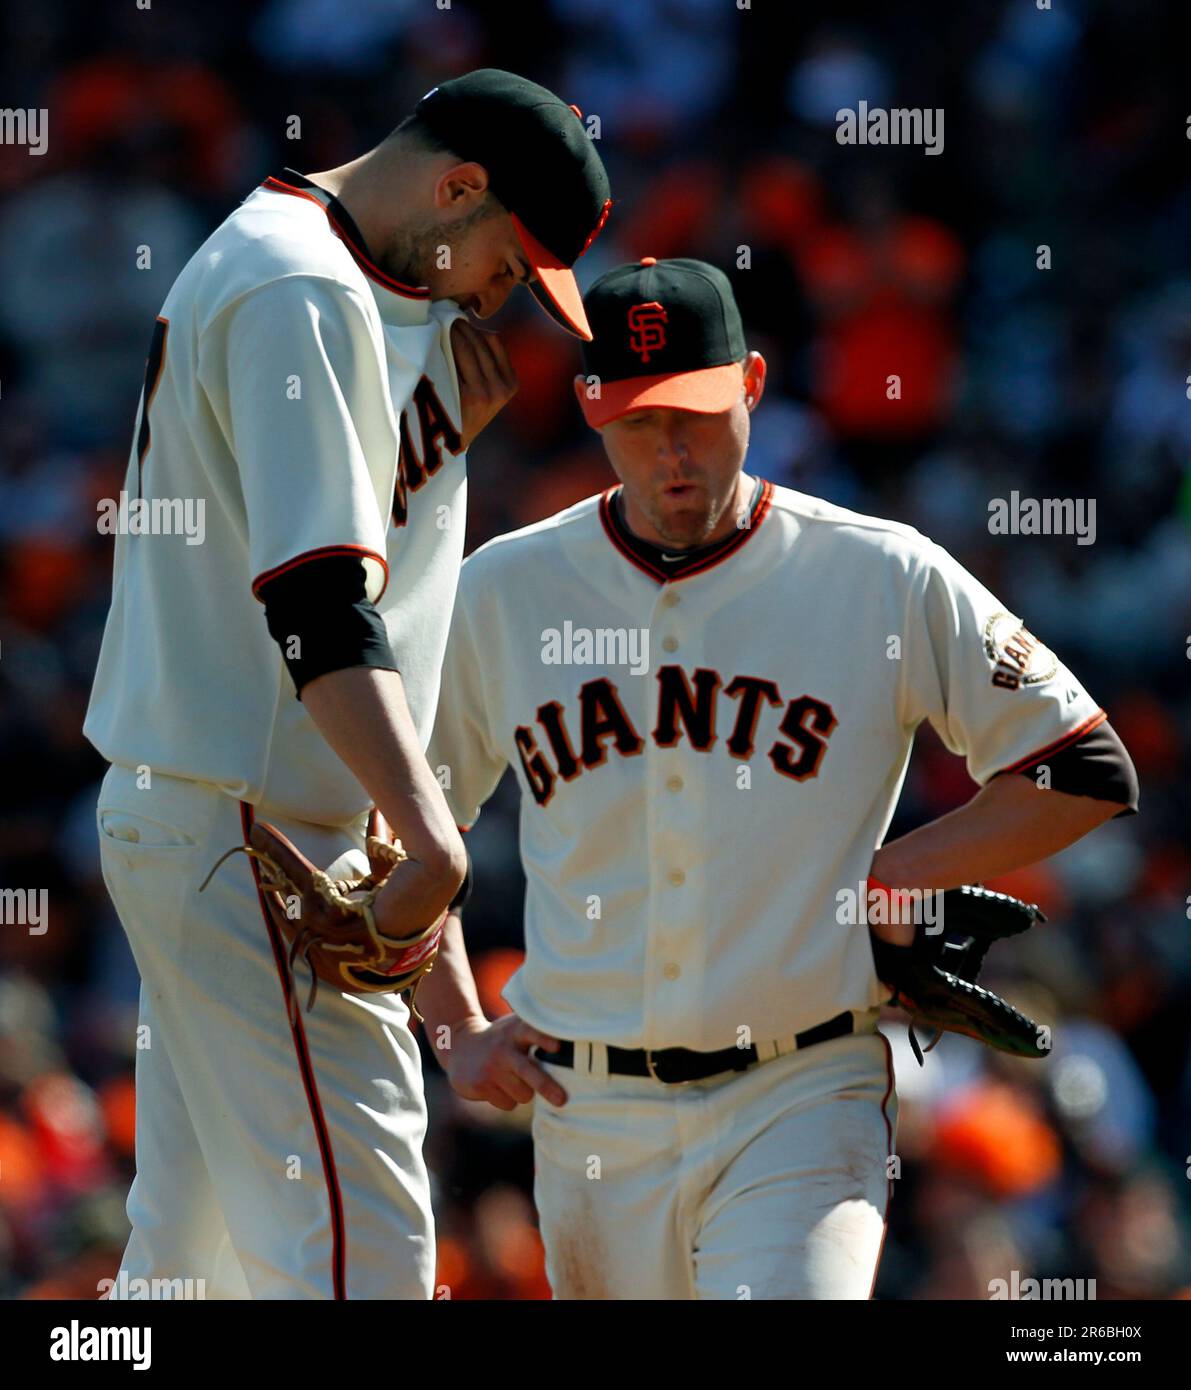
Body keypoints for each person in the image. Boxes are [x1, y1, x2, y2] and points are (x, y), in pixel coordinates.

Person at [417, 256, 1139, 1299]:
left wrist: (894, 871)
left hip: (802, 1091)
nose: (671, 451)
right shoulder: (505, 589)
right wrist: (453, 1027)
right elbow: (412, 820)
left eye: (699, 415)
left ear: (753, 383)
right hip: (591, 1121)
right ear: (588, 406)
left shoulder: (877, 572)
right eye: (639, 418)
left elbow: (1084, 764)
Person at [84, 69, 611, 1300]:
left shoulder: (376, 291)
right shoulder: (304, 285)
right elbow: (316, 617)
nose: (508, 298)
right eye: (512, 261)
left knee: (185, 1276)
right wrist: (437, 846)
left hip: (230, 813)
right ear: (458, 185)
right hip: (251, 828)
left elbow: (349, 626)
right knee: (361, 1260)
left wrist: (454, 1008)